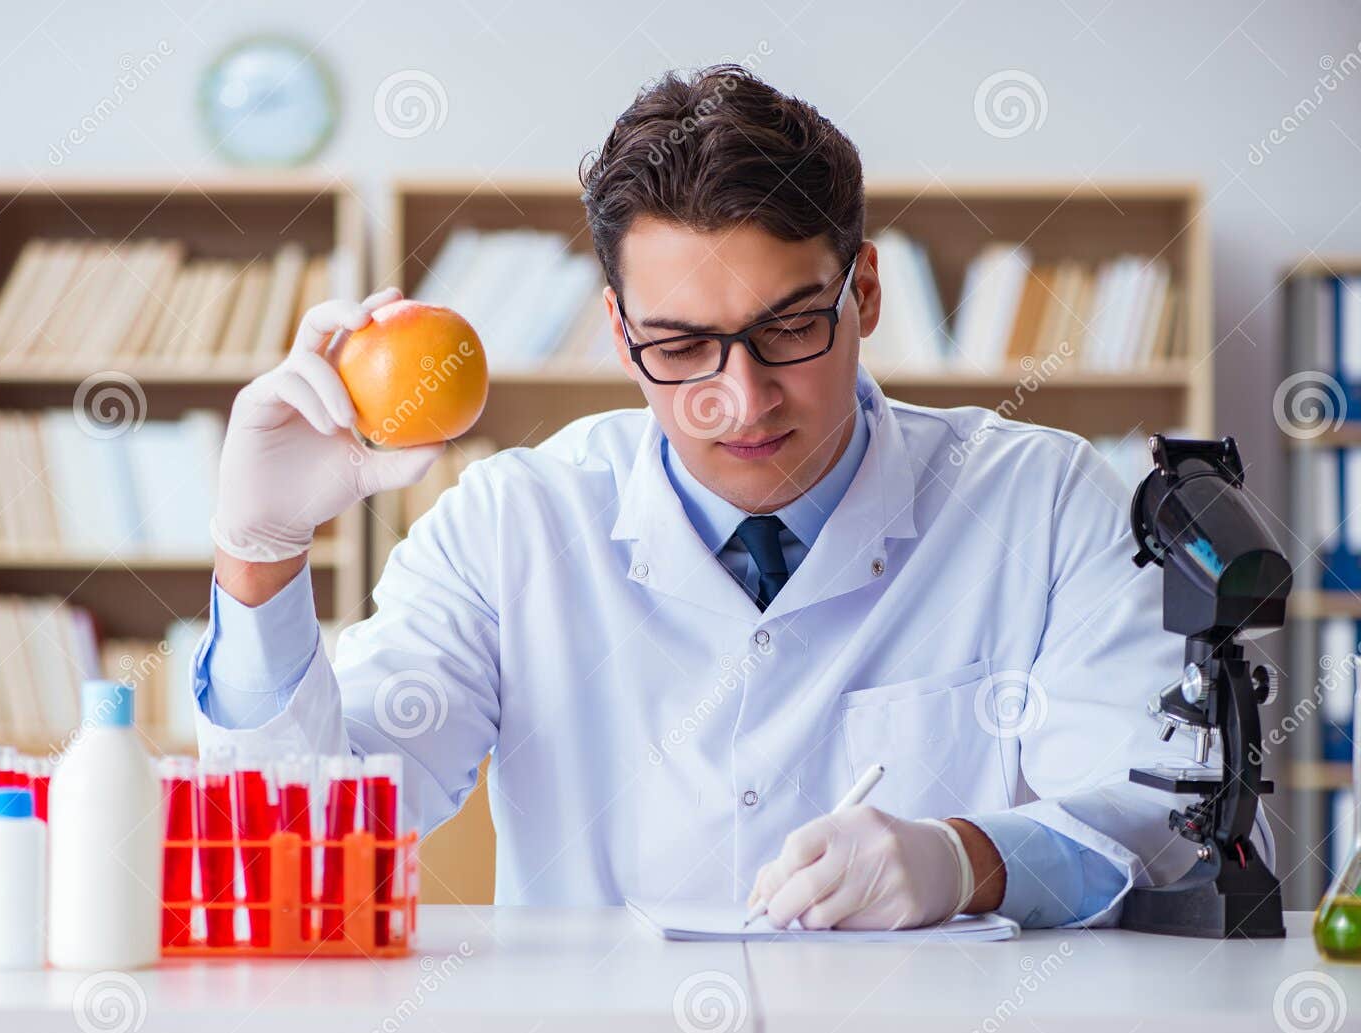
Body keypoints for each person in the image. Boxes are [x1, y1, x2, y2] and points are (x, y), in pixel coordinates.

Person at [196, 65, 1267, 930]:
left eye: (791, 327)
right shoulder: (509, 523)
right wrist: (262, 553)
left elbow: (1159, 817)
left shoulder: (1045, 502)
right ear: (619, 336)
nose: (741, 398)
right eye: (679, 346)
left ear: (868, 294)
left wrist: (966, 860)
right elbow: (302, 845)